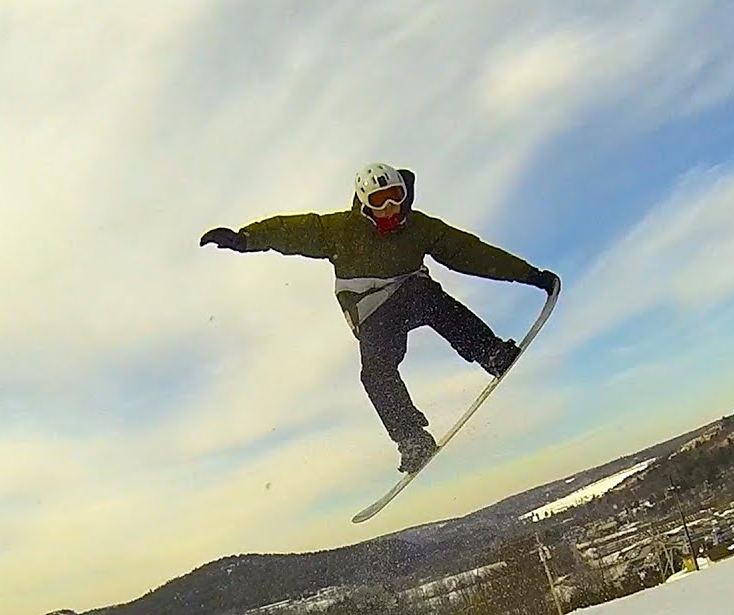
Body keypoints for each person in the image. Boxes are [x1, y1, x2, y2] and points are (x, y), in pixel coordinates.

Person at [200, 162, 558, 473]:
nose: (389, 209)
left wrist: (529, 275)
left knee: (427, 296)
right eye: (378, 202)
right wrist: (245, 239)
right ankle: (411, 439)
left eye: (395, 198)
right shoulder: (339, 230)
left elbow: (469, 253)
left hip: (412, 293)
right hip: (371, 312)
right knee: (374, 373)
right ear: (363, 203)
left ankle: (491, 352)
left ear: (405, 194)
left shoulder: (420, 227)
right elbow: (289, 232)